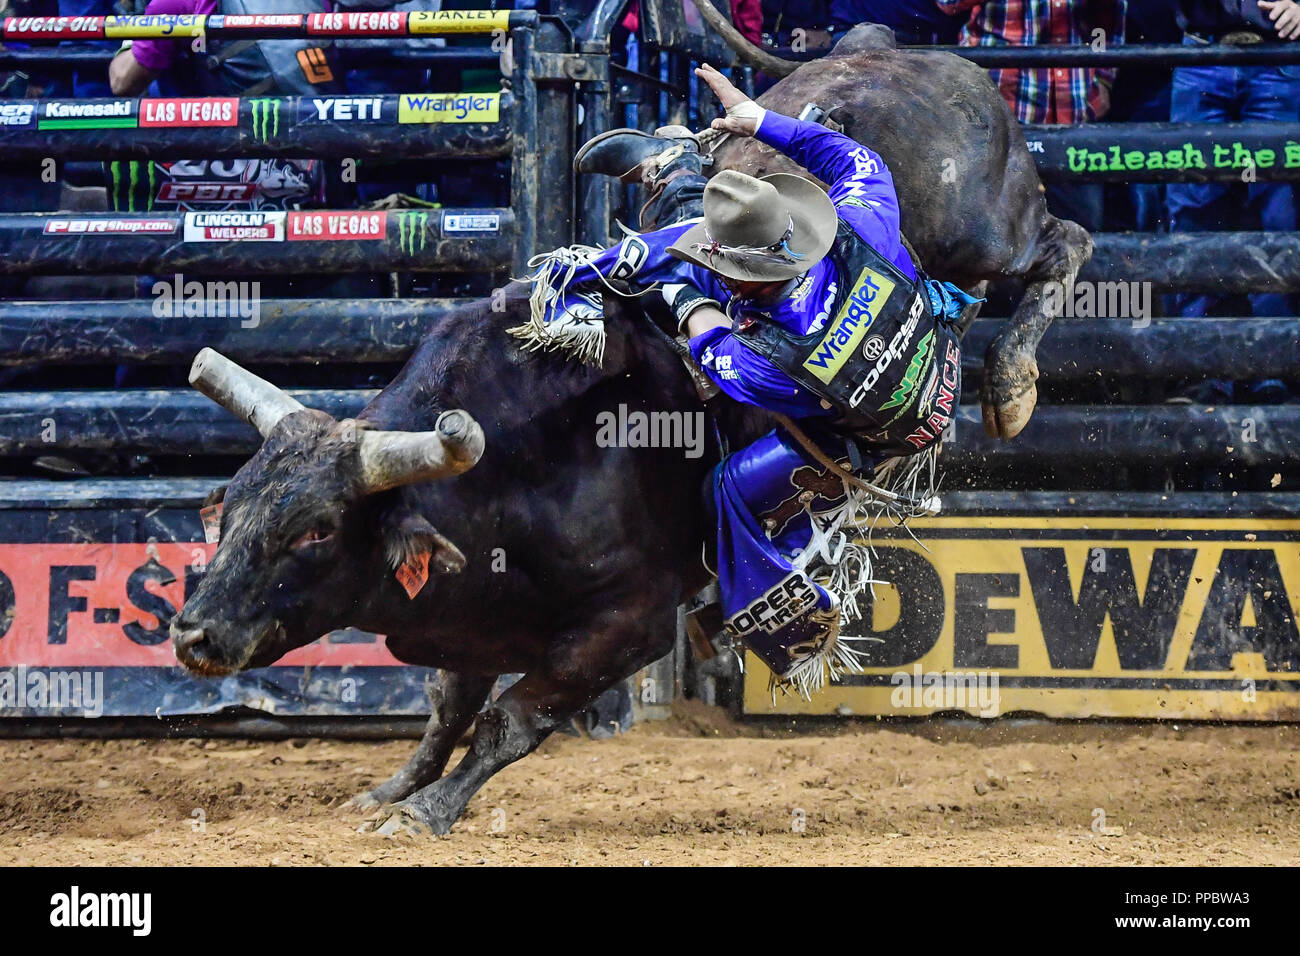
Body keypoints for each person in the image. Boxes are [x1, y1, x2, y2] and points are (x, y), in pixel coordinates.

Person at [515, 64, 978, 697]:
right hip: (934, 367)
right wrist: (759, 121)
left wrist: (679, 294)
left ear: (748, 274)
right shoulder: (864, 223)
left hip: (872, 438)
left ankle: (784, 589)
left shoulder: (773, 361)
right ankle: (674, 169)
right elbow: (854, 157)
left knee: (730, 484)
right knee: (681, 261)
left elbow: (713, 349)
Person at [937, 0, 1127, 232]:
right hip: (1000, 113)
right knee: (992, 237)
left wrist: (1103, 77)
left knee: (1082, 235)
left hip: (1074, 111)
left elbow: (1108, 24)